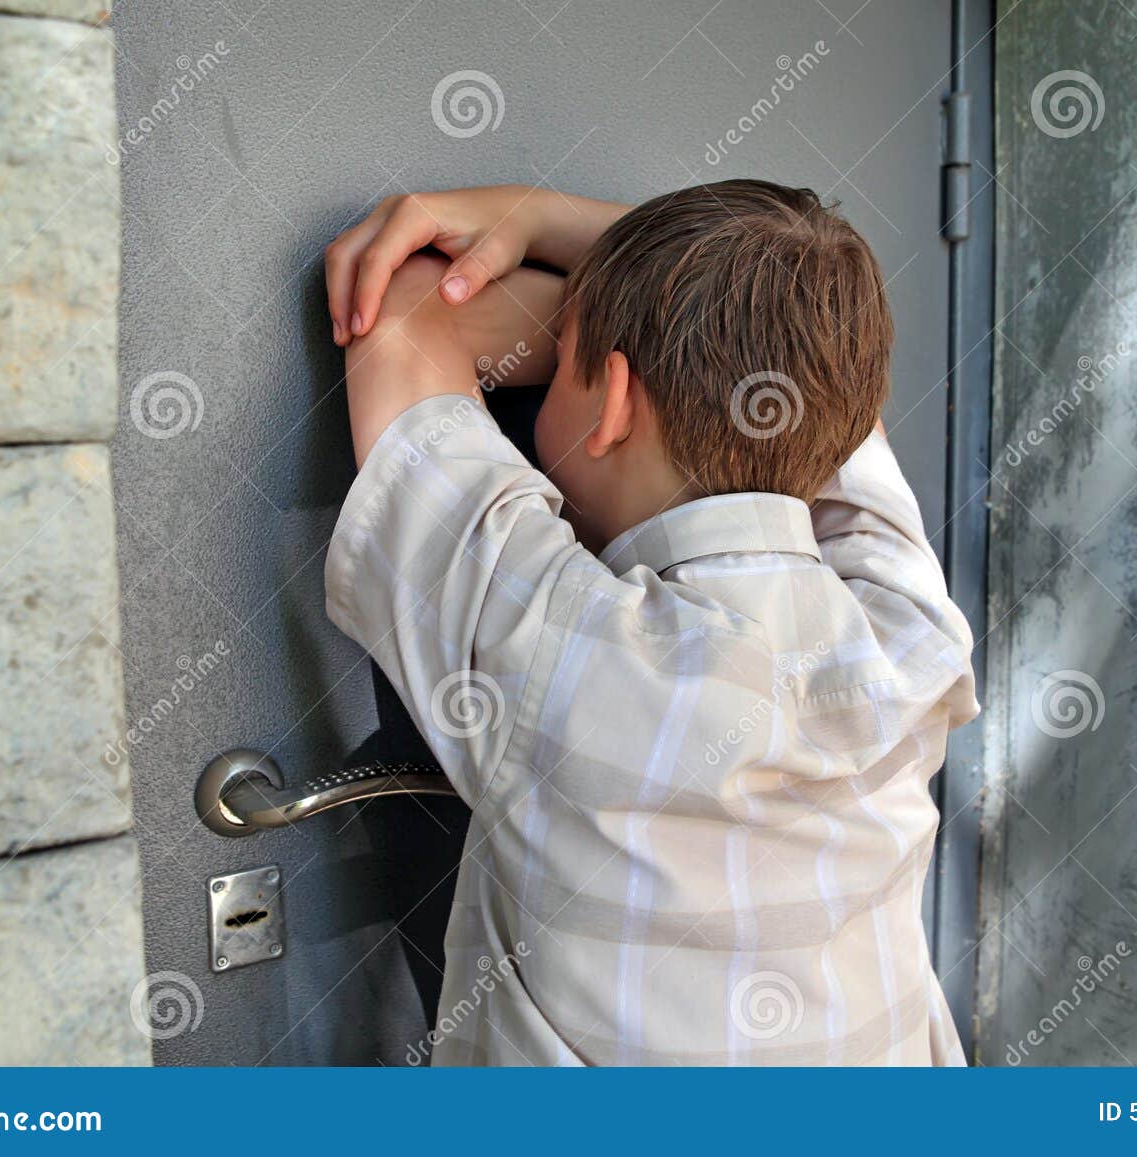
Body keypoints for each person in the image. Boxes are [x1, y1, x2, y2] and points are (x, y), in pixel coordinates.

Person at [320, 180, 978, 1065]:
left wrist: (534, 219)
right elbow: (820, 385)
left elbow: (404, 316)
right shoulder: (913, 638)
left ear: (615, 401)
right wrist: (613, 305)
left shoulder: (564, 650)